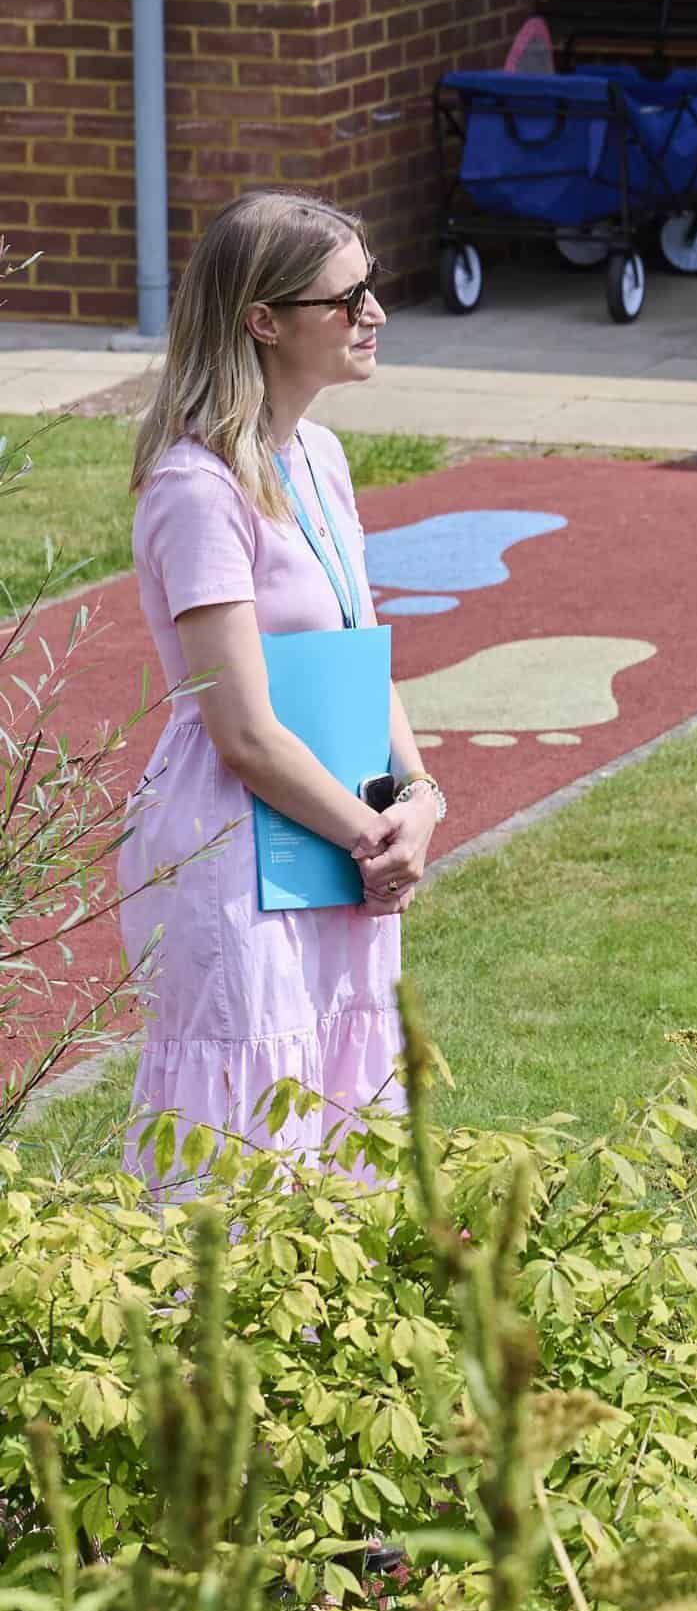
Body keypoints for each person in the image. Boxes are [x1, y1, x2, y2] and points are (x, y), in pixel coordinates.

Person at [121, 190, 445, 1182]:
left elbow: (359, 645)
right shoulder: (197, 488)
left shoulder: (320, 458)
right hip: (240, 852)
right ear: (264, 321)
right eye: (349, 299)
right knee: (244, 1142)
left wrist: (418, 799)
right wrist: (366, 834)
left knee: (343, 1116)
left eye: (373, 290)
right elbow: (242, 731)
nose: (376, 315)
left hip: (339, 839)